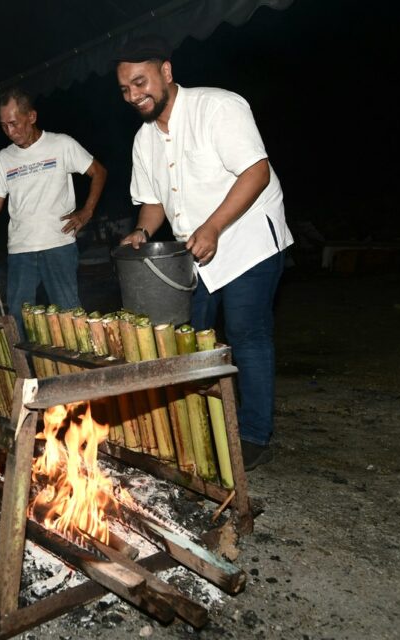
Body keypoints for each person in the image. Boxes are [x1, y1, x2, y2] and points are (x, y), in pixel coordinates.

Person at [114, 35, 293, 470]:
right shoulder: (143, 140)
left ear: (166, 72)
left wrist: (214, 226)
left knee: (247, 333)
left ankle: (254, 434)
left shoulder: (218, 107)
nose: (134, 95)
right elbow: (153, 202)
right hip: (195, 252)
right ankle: (199, 429)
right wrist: (140, 231)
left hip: (248, 240)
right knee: (189, 336)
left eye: (140, 82)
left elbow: (256, 172)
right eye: (125, 89)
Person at [0, 88, 107, 338]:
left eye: (14, 123)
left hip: (58, 244)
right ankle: (25, 362)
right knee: (18, 317)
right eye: (4, 126)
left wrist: (87, 211)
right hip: (21, 250)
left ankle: (78, 360)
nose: (10, 132)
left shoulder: (61, 144)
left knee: (68, 314)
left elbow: (98, 172)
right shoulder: (3, 159)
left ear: (31, 116)